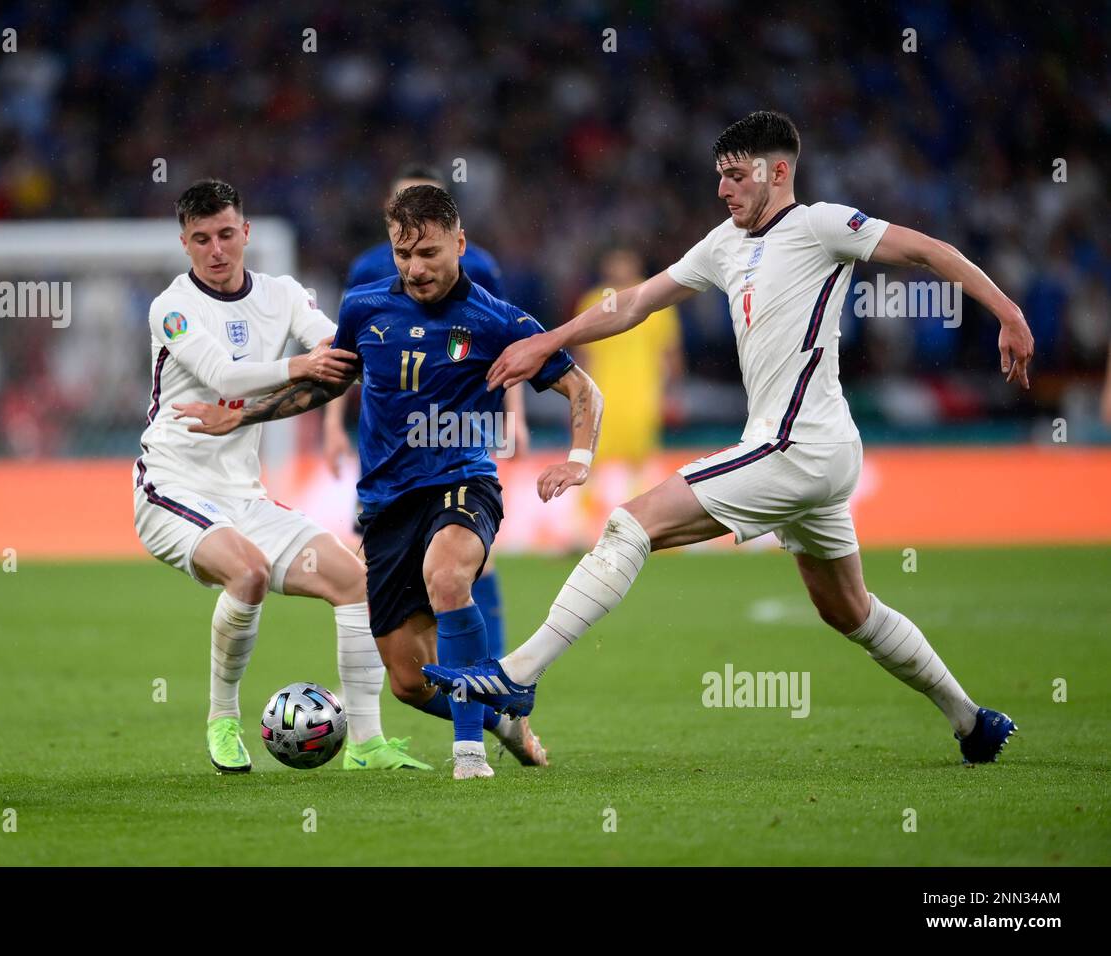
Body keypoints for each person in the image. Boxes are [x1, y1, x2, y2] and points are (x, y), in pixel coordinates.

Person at [425, 111, 1036, 766]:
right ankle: (972, 721)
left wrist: (1006, 309)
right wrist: (550, 339)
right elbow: (632, 303)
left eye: (736, 176)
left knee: (631, 523)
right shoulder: (724, 244)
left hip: (797, 444)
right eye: (719, 177)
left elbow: (925, 249)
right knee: (848, 609)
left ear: (778, 173)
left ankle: (519, 673)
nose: (724, 190)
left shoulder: (821, 225)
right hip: (808, 455)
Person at [174, 185, 604, 779]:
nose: (415, 268)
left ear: (460, 243)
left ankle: (468, 756)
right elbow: (328, 383)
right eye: (403, 254)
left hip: (462, 482)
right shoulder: (363, 307)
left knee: (448, 577)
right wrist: (242, 413)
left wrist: (579, 458)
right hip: (384, 504)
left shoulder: (497, 320)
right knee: (407, 680)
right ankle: (501, 718)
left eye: (428, 253)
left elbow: (583, 389)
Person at [134, 178, 431, 774]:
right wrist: (304, 364)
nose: (216, 250)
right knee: (247, 573)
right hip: (170, 488)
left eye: (225, 234)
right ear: (185, 245)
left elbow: (338, 354)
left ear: (245, 232)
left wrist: (345, 353)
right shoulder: (171, 308)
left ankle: (367, 744)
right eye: (201, 239)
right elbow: (223, 376)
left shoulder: (282, 294)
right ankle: (222, 719)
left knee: (355, 581)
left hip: (245, 495)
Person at [323, 163, 529, 669]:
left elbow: (511, 345)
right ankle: (400, 676)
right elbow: (342, 358)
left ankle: (490, 665)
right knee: (363, 559)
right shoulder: (369, 272)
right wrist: (331, 426)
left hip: (457, 432)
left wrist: (514, 415)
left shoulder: (478, 265)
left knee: (471, 560)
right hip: (387, 443)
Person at [573, 246, 683, 468]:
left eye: (625, 261)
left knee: (640, 460)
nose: (620, 268)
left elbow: (670, 353)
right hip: (602, 394)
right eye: (615, 262)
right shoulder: (593, 301)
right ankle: (589, 501)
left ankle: (636, 499)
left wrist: (672, 394)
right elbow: (583, 355)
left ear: (637, 263)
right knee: (592, 457)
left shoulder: (656, 301)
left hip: (642, 396)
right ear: (605, 266)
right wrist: (578, 397)